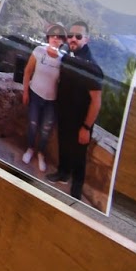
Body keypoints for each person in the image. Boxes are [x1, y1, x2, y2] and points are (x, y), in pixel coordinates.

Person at [48, 22, 104, 201]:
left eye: (78, 36)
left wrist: (86, 127)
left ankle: (76, 192)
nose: (73, 39)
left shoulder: (92, 67)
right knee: (63, 145)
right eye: (71, 35)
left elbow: (96, 101)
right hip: (64, 114)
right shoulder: (67, 57)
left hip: (80, 121)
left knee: (79, 157)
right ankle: (62, 174)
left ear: (86, 39)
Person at [21, 24, 66, 174]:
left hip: (51, 101)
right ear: (49, 37)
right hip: (35, 94)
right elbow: (28, 71)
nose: (55, 38)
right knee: (33, 124)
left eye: (59, 37)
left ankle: (41, 153)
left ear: (62, 41)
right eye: (53, 35)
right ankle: (30, 149)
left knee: (46, 129)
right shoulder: (39, 51)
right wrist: (25, 91)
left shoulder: (62, 60)